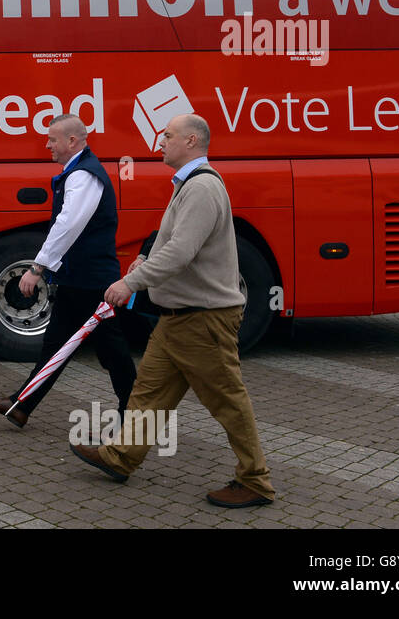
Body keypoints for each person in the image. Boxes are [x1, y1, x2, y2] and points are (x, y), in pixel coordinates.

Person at [70, 113, 276, 508]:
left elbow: (181, 253)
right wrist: (145, 262)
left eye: (167, 136)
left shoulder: (201, 189)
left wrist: (131, 281)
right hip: (179, 317)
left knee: (228, 401)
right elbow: (173, 245)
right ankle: (120, 457)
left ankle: (256, 480)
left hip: (202, 319)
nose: (159, 143)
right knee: (148, 394)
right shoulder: (190, 186)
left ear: (193, 141)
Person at [0, 114, 136, 428]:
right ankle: (21, 405)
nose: (47, 145)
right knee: (59, 344)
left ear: (72, 141)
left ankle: (135, 410)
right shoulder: (77, 172)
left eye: (52, 139)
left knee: (112, 350)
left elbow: (68, 225)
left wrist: (37, 267)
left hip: (93, 281)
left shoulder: (84, 176)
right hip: (81, 279)